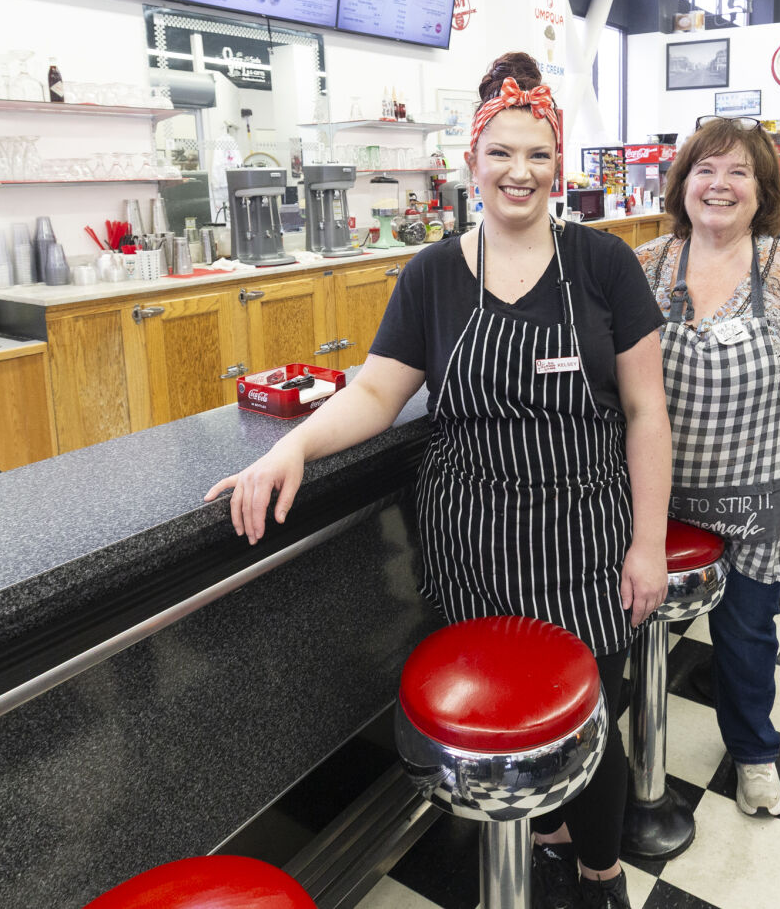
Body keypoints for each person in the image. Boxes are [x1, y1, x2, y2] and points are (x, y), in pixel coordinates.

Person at [207, 52, 669, 909]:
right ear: (471, 163)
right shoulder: (429, 275)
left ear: (557, 164)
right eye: (500, 153)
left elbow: (646, 412)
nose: (518, 171)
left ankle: (599, 871)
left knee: (589, 712)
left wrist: (647, 543)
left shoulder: (604, 266)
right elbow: (379, 391)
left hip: (586, 535)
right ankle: (540, 834)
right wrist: (294, 448)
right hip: (476, 542)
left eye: (536, 154)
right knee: (510, 709)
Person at [634, 117, 780, 817]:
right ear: (681, 184)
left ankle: (754, 750)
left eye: (738, 172)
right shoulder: (645, 267)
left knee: (744, 631)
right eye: (704, 169)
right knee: (638, 626)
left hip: (759, 498)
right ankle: (629, 758)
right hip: (657, 496)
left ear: (763, 190)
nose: (719, 185)